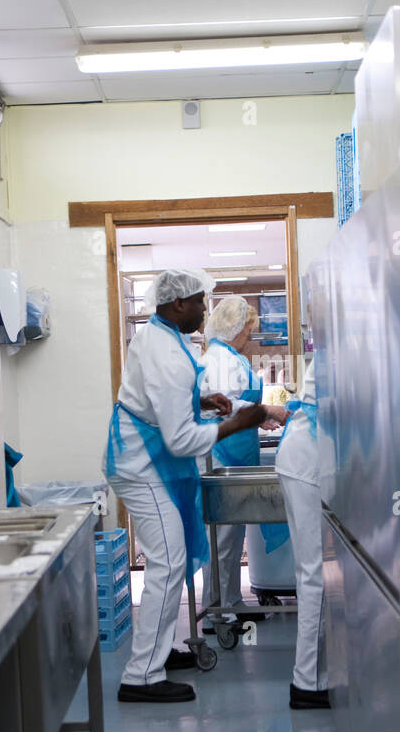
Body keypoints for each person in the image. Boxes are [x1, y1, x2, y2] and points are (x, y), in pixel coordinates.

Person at [104, 269, 267, 703]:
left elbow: (150, 397)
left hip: (144, 457)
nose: (204, 310)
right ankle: (140, 677)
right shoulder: (168, 352)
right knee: (169, 562)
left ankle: (154, 653)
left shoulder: (159, 336)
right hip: (141, 465)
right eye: (199, 301)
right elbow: (179, 439)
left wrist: (198, 401)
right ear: (178, 304)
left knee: (170, 561)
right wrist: (236, 423)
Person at [199, 297, 290, 630]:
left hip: (236, 449)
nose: (249, 336)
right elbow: (224, 405)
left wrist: (258, 420)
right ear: (234, 327)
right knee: (221, 536)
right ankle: (214, 612)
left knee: (232, 533)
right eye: (248, 330)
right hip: (223, 452)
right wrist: (266, 412)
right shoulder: (219, 359)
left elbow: (237, 405)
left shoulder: (230, 357)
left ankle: (231, 600)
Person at [275, 356, 329, 709]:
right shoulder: (344, 341)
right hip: (306, 464)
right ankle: (307, 683)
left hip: (301, 458)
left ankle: (312, 675)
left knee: (310, 574)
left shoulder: (340, 340)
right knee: (314, 576)